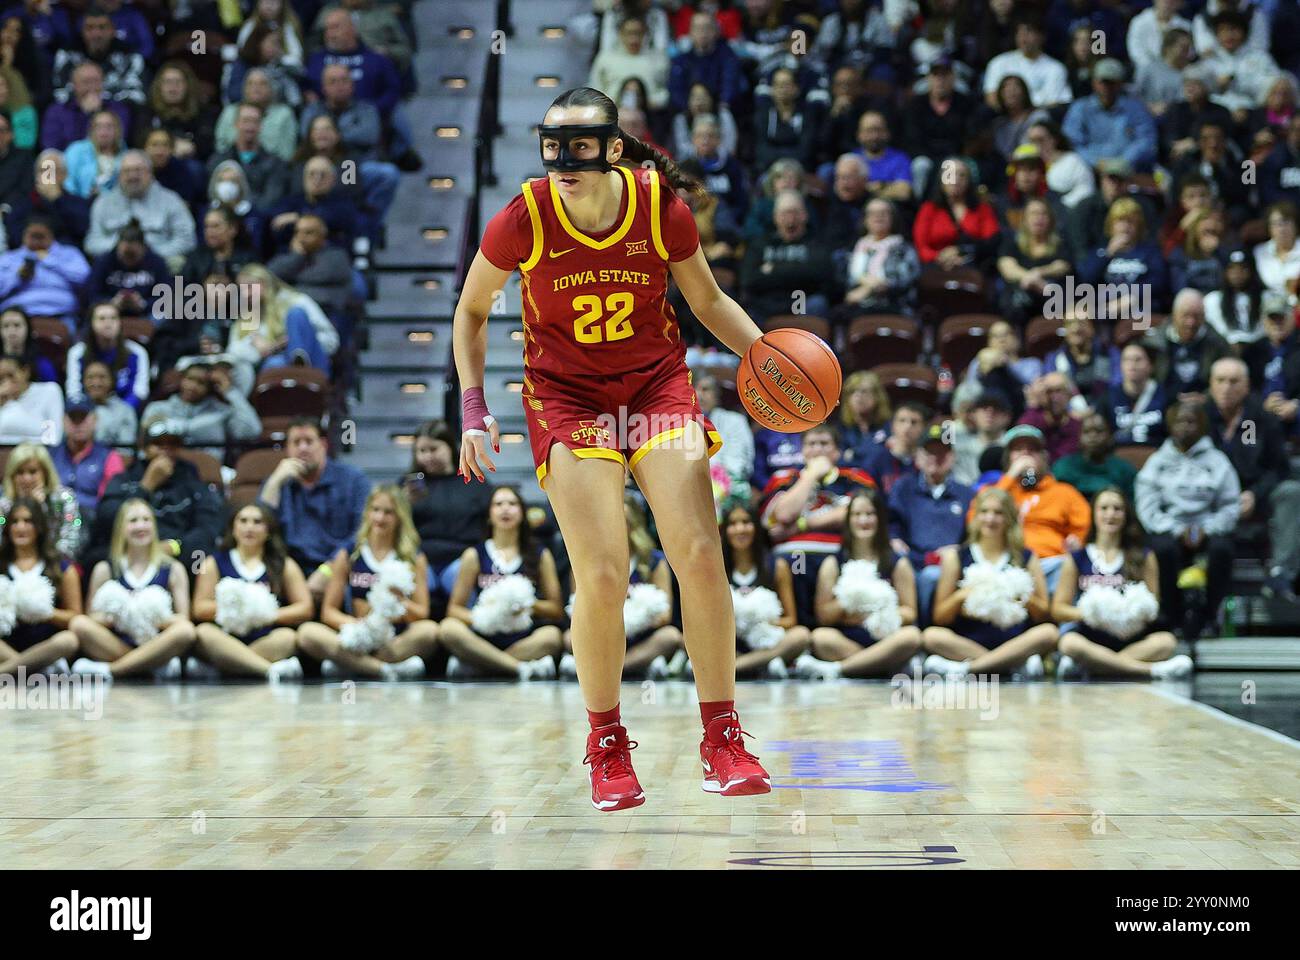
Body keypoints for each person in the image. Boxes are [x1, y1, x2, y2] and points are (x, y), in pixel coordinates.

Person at [457, 86, 774, 811]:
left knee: (697, 552)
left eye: (578, 145)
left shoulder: (660, 207)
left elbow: (710, 303)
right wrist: (473, 408)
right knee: (603, 572)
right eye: (551, 145)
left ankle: (721, 736)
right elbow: (472, 310)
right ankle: (607, 745)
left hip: (655, 387)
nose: (562, 160)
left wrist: (764, 356)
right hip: (567, 398)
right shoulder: (524, 216)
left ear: (610, 147)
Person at [296, 486, 438, 680]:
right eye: (375, 510)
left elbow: (422, 612)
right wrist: (357, 626)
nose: (380, 518)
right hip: (357, 634)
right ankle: (384, 670)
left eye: (388, 512)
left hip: (394, 638)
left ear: (400, 517)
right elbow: (328, 612)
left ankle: (351, 665)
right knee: (307, 633)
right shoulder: (349, 554)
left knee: (429, 631)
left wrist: (400, 603)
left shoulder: (413, 558)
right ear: (367, 512)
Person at [1052, 487, 1191, 680]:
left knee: (1166, 642)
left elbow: (1154, 605)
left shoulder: (1144, 556)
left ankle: (1093, 667)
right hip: (1091, 637)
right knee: (1069, 643)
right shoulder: (1077, 558)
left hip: (1131, 637)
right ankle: (1151, 671)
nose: (1111, 514)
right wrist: (1094, 613)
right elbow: (1058, 608)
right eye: (1104, 508)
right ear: (1093, 514)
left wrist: (1128, 613)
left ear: (1126, 515)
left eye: (1117, 509)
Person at [922, 486, 1059, 678]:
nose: (990, 518)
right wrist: (962, 595)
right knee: (931, 636)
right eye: (984, 512)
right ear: (976, 516)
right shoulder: (957, 557)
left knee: (1049, 633)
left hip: (1014, 639)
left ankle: (969, 669)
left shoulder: (1025, 557)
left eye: (998, 513)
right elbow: (940, 616)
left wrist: (1022, 597)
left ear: (1009, 518)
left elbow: (1044, 613)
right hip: (969, 641)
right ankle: (1009, 667)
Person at [1135, 400, 1240, 637]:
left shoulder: (1218, 461)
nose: (1186, 427)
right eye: (1180, 421)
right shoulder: (1157, 462)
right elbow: (1147, 506)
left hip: (1208, 528)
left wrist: (1208, 529)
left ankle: (1212, 617)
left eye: (1192, 422)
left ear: (1202, 426)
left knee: (1222, 550)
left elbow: (1230, 506)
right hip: (1170, 528)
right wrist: (1175, 529)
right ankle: (1171, 618)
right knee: (1162, 550)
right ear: (1171, 426)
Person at [438, 485, 564, 680]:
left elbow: (555, 609)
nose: (505, 509)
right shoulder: (474, 555)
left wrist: (524, 605)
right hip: (483, 636)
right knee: (448, 628)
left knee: (552, 636)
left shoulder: (540, 555)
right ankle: (518, 668)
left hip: (523, 637)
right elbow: (454, 610)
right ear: (489, 514)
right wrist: (487, 615)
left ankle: (480, 666)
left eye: (512, 504)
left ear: (522, 513)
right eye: (498, 504)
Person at [800, 488, 922, 679]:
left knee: (911, 636)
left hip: (886, 636)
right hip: (848, 637)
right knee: (820, 637)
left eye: (870, 514)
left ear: (880, 519)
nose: (863, 520)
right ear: (848, 520)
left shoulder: (898, 563)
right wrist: (852, 601)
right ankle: (882, 665)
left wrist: (877, 613)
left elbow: (909, 612)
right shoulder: (833, 564)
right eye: (857, 514)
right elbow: (824, 615)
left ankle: (839, 669)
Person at [560, 494, 685, 679]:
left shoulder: (654, 560)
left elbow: (665, 614)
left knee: (671, 637)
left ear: (633, 523)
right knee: (569, 638)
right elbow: (577, 607)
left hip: (643, 636)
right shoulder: (585, 560)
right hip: (602, 635)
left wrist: (632, 619)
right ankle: (643, 665)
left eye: (623, 520)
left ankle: (607, 672)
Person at [1205, 357, 1300, 601]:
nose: (1227, 387)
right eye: (1221, 381)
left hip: (1255, 492)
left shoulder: (1260, 419)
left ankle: (1281, 572)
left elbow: (1278, 468)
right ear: (1211, 384)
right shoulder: (1198, 418)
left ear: (1246, 386)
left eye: (1234, 381)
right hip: (1208, 495)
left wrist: (1254, 495)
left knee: (1291, 492)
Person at [69, 499, 197, 679]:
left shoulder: (173, 569)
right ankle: (150, 666)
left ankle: (111, 670)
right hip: (115, 643)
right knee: (79, 624)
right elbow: (91, 617)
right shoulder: (105, 569)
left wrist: (150, 615)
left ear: (154, 526)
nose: (140, 526)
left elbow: (184, 618)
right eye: (133, 521)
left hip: (158, 642)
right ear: (121, 527)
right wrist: (122, 615)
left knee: (185, 631)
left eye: (146, 520)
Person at [81, 419, 225, 572]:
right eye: (159, 444)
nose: (166, 451)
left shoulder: (191, 479)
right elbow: (105, 519)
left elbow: (208, 527)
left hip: (178, 550)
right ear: (144, 447)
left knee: (201, 557)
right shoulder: (125, 479)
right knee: (96, 559)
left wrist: (174, 546)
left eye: (172, 444)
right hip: (131, 549)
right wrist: (145, 486)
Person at [191, 502, 312, 681]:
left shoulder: (283, 564)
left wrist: (263, 614)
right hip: (226, 636)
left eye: (257, 522)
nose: (249, 527)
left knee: (289, 637)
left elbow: (305, 608)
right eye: (243, 521)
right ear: (233, 528)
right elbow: (199, 608)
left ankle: (225, 666)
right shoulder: (213, 562)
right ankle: (268, 670)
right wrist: (237, 612)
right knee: (203, 633)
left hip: (264, 636)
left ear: (268, 530)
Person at [258, 417, 371, 602]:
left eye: (309, 441)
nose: (303, 448)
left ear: (323, 445)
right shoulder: (278, 482)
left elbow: (362, 533)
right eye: (296, 443)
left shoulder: (353, 480)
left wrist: (329, 570)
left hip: (340, 568)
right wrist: (274, 483)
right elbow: (258, 529)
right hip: (288, 571)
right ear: (287, 449)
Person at [982, 424, 1091, 592]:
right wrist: (1010, 476)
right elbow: (977, 517)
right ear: (1008, 458)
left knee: (1066, 567)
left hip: (1052, 563)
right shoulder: (996, 490)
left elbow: (1084, 527)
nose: (1025, 454)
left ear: (1043, 457)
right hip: (1004, 562)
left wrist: (1077, 540)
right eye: (1018, 450)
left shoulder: (1064, 492)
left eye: (1032, 450)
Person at [402, 419, 493, 615]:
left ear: (451, 447)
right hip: (421, 559)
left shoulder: (473, 480)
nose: (427, 457)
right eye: (421, 451)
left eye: (433, 449)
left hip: (463, 560)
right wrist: (404, 504)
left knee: (459, 572)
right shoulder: (409, 486)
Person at [888, 424, 975, 623]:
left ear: (952, 457)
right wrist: (894, 538)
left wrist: (960, 550)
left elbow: (975, 533)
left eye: (942, 452)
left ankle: (928, 630)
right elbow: (891, 522)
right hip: (911, 559)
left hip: (951, 565)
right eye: (929, 452)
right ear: (918, 456)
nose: (935, 458)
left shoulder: (966, 494)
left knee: (932, 576)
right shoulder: (904, 487)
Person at [715, 501, 809, 680]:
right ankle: (765, 664)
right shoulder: (717, 569)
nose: (740, 529)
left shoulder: (777, 566)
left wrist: (759, 621)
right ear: (725, 530)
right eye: (733, 524)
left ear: (757, 527)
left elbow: (791, 620)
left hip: (764, 640)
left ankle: (735, 668)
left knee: (801, 636)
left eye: (746, 522)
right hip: (730, 643)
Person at [0, 497, 81, 677]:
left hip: (47, 646)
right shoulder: (1, 565)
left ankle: (10, 671)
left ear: (39, 526)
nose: (20, 527)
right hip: (6, 646)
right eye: (15, 522)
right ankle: (35, 669)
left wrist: (44, 612)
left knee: (69, 640)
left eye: (28, 521)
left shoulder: (60, 568)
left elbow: (76, 617)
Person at [139, 362, 262, 462]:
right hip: (164, 470)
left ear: (210, 388)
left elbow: (252, 431)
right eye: (190, 379)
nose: (193, 386)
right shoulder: (157, 408)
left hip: (207, 474)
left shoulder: (222, 412)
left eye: (201, 383)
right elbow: (145, 447)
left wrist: (230, 391)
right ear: (182, 379)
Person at [0, 216, 91, 331]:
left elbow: (85, 279)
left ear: (51, 235)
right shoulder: (9, 258)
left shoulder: (69, 254)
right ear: (24, 235)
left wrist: (50, 261)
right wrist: (17, 278)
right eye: (33, 236)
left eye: (41, 236)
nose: (36, 241)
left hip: (61, 316)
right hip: (18, 317)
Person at [1142, 288, 1232, 403]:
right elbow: (1147, 380)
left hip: (1205, 406)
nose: (1191, 322)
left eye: (1196, 316)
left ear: (1204, 316)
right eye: (1185, 315)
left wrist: (1207, 398)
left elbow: (1229, 378)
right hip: (1162, 404)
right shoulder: (1152, 343)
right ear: (1174, 314)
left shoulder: (1218, 344)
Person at [0, 441, 80, 560]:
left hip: (56, 565)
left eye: (33, 471)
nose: (26, 479)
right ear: (12, 476)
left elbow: (71, 542)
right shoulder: (4, 506)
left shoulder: (64, 499)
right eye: (20, 472)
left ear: (45, 473)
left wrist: (41, 508)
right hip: (12, 565)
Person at [64, 301, 149, 412]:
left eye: (113, 318)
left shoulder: (137, 352)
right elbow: (74, 391)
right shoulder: (77, 353)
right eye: (102, 318)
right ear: (91, 324)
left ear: (120, 323)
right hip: (86, 412)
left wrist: (121, 412)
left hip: (125, 412)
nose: (108, 324)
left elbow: (140, 392)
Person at [48, 397, 126, 517]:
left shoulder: (109, 457)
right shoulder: (50, 455)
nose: (78, 424)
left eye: (83, 417)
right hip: (55, 517)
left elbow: (111, 503)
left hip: (95, 522)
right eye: (73, 418)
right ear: (63, 421)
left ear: (95, 420)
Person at [1052, 412, 1138, 502]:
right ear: (1079, 437)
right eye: (1086, 431)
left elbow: (1131, 506)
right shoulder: (1063, 467)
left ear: (1110, 436)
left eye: (1099, 431)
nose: (1092, 436)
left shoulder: (1124, 470)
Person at [1107, 342, 1168, 447]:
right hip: (1121, 455)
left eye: (1138, 360)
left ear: (1150, 365)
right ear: (1120, 366)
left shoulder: (1165, 396)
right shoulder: (1108, 397)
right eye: (1127, 360)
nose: (1132, 365)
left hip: (1156, 455)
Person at [860, 401, 927, 495]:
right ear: (892, 426)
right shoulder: (877, 460)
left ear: (923, 427)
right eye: (902, 420)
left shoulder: (929, 463)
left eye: (914, 422)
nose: (907, 426)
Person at [1018, 370, 1082, 461]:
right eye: (1049, 392)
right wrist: (1032, 405)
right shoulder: (1031, 420)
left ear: (1069, 394)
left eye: (1059, 391)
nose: (1054, 398)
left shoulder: (1077, 425)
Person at [0, 354, 63, 444]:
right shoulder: (1, 398)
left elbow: (54, 437)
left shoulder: (49, 390)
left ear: (25, 371)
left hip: (40, 454)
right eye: (1, 378)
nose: (6, 382)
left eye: (11, 375)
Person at [80, 359, 137, 453]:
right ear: (83, 381)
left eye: (102, 377)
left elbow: (126, 454)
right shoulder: (74, 410)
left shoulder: (125, 411)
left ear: (112, 380)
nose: (96, 383)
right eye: (90, 377)